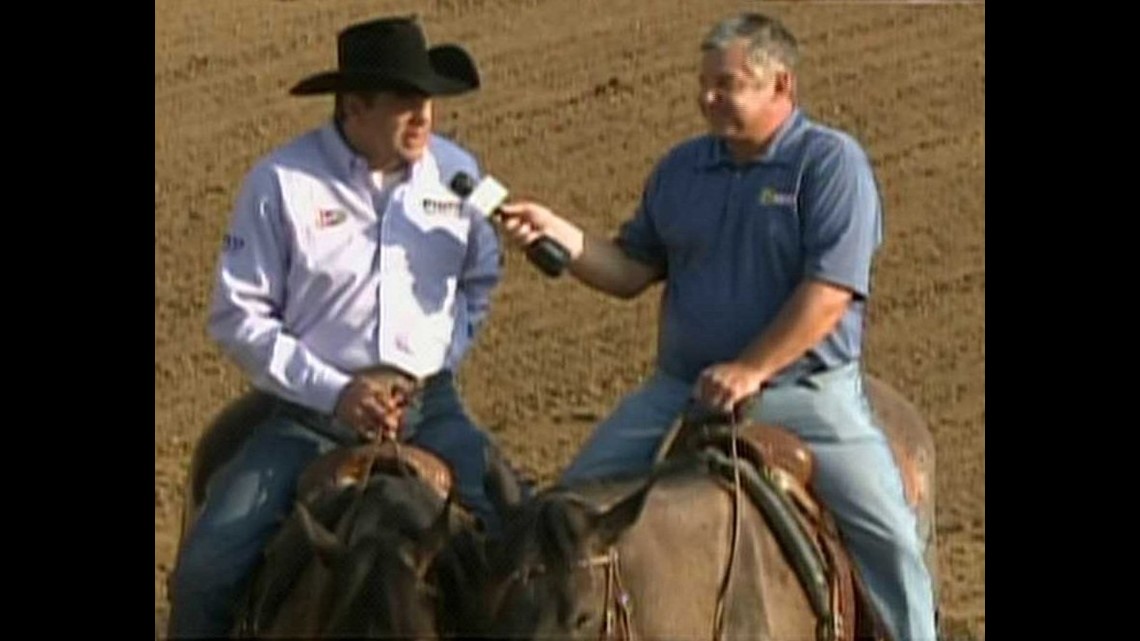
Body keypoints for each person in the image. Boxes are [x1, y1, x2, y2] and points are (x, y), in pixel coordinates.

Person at [497, 12, 937, 641]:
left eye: (726, 85)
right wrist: (557, 234)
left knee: (890, 540)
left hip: (805, 394)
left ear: (780, 85)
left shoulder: (829, 165)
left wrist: (752, 369)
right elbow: (628, 270)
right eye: (704, 84)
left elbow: (830, 294)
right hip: (681, 388)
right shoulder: (682, 170)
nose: (707, 98)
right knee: (564, 513)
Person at [168, 16, 506, 637]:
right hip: (306, 420)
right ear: (354, 106)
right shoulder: (281, 183)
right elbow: (238, 315)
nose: (424, 117)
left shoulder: (459, 174)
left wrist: (443, 352)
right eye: (406, 103)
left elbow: (483, 273)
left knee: (522, 544)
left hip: (432, 407)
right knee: (205, 572)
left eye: (427, 101)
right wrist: (336, 391)